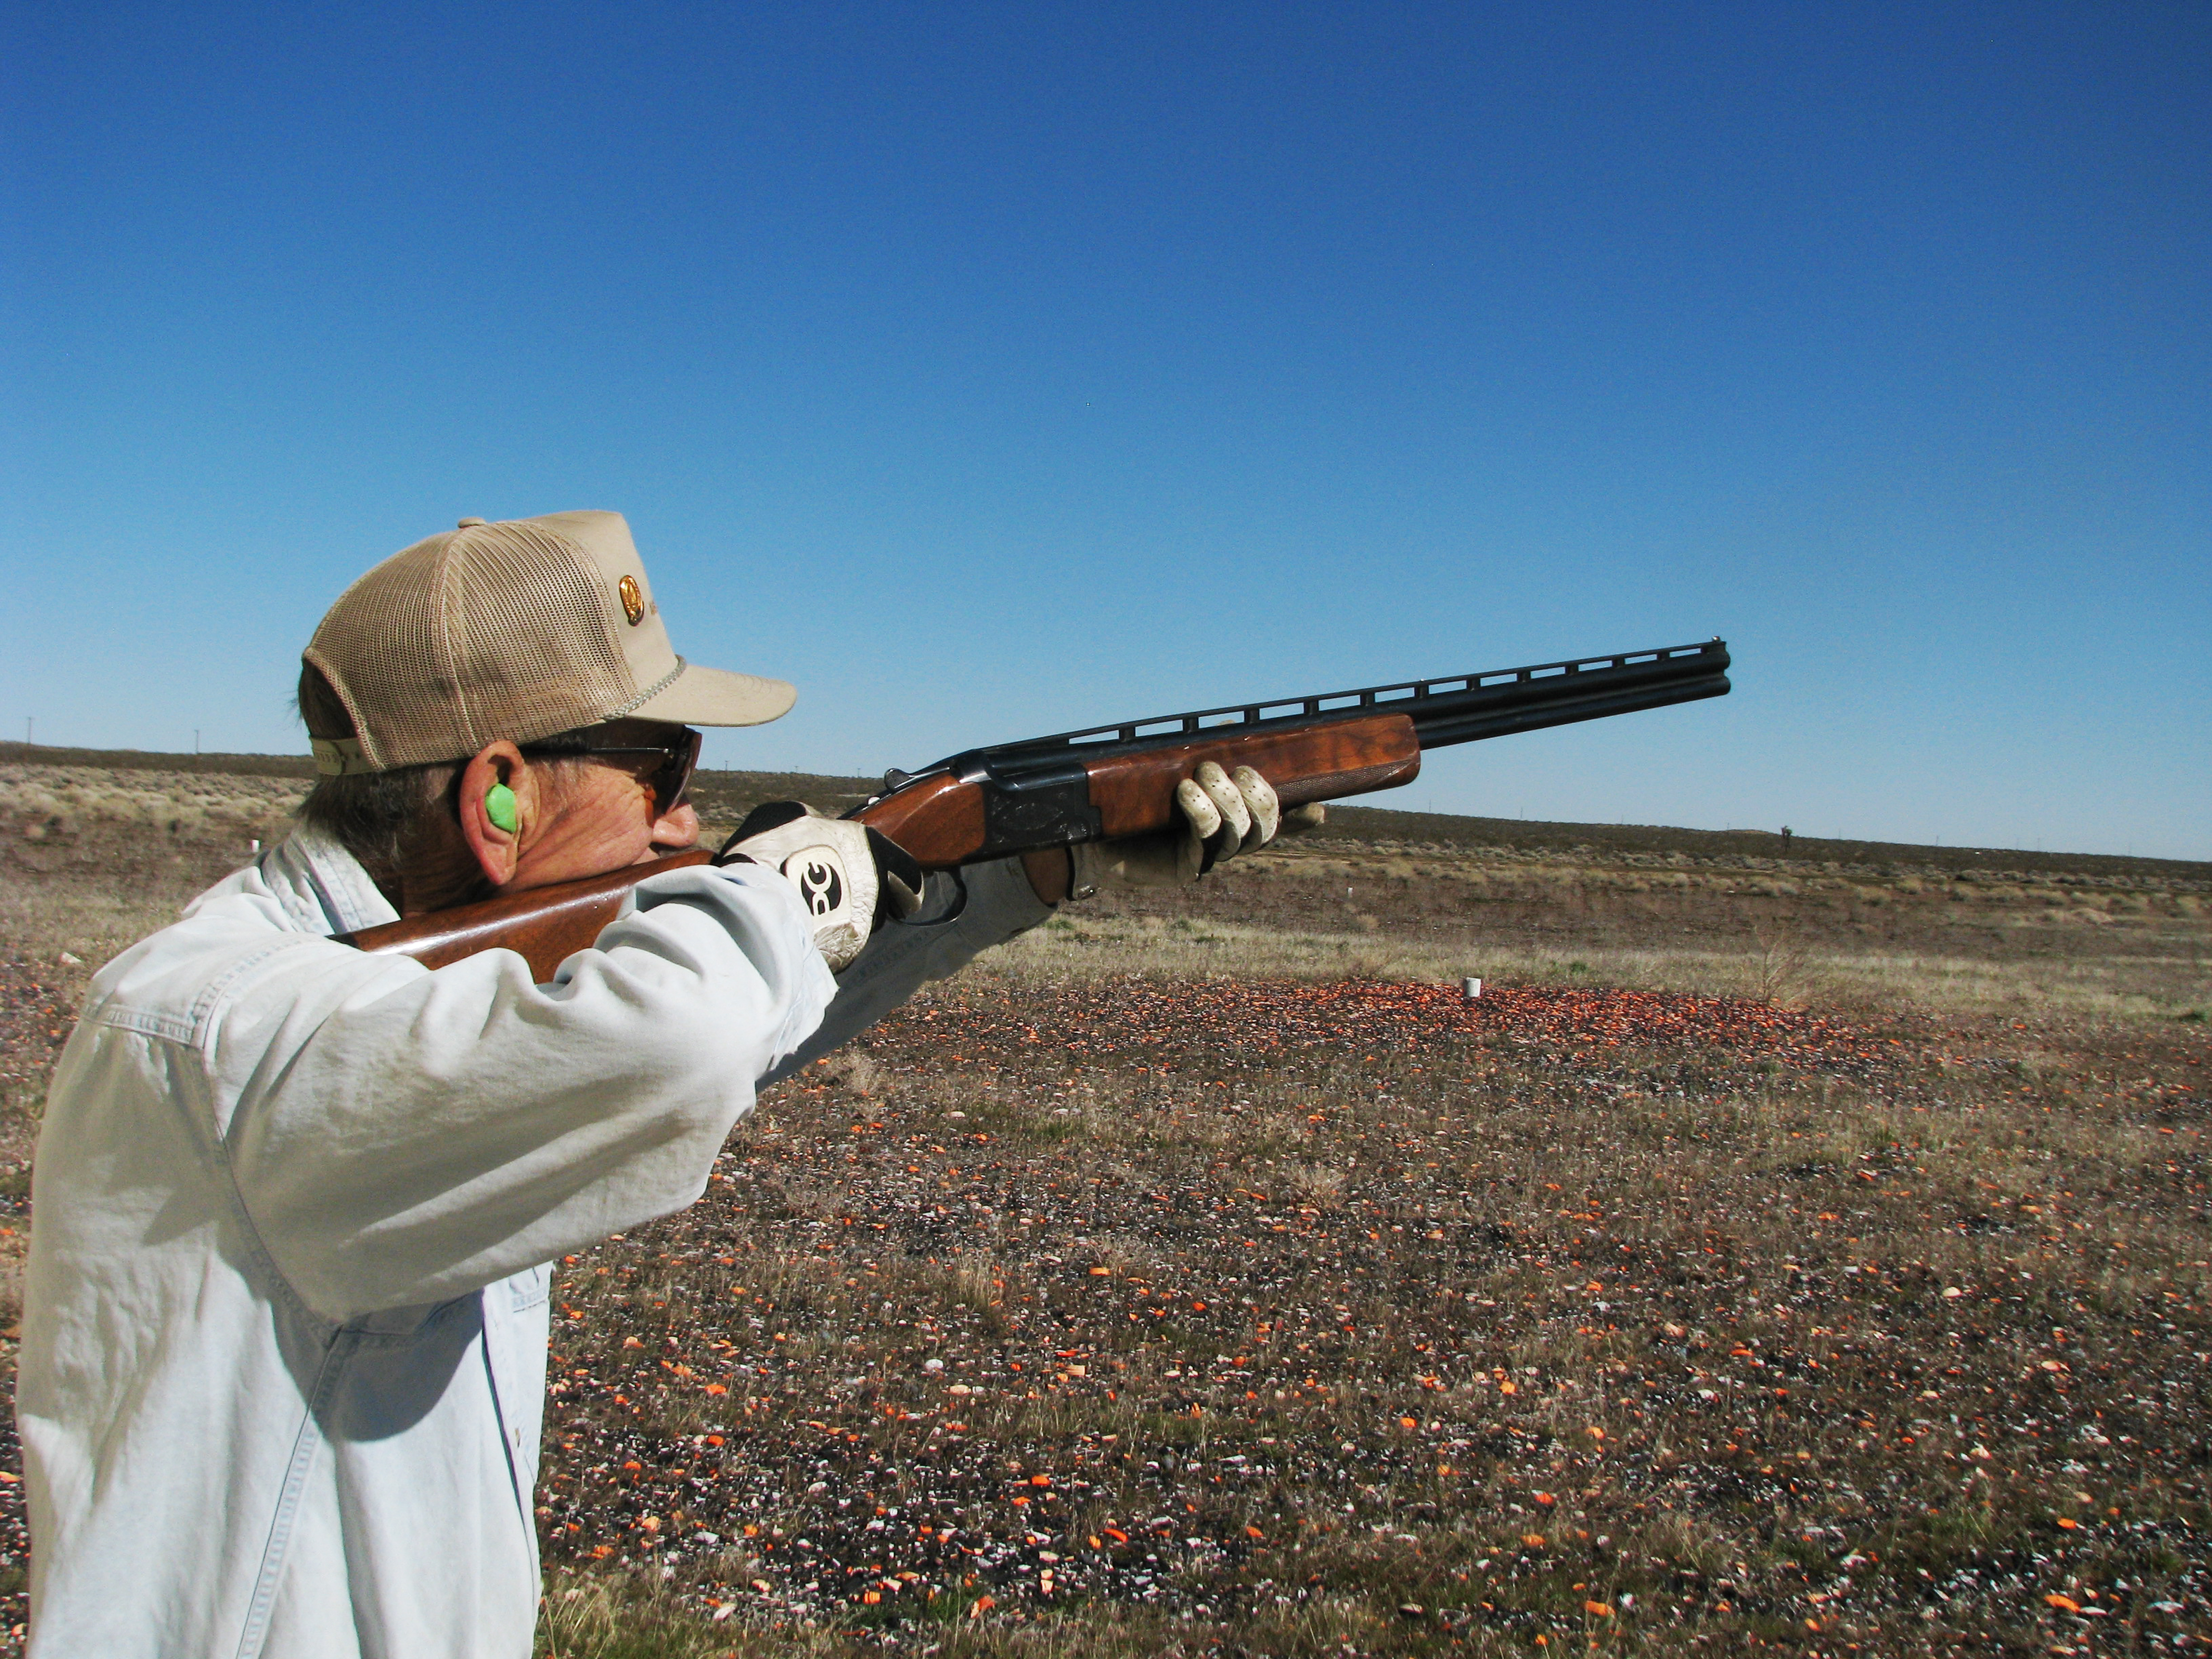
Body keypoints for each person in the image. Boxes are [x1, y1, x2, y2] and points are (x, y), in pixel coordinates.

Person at [17, 511, 1287, 1657]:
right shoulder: (230, 1032)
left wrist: (1043, 862)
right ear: (500, 798)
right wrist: (785, 888)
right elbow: (675, 1035)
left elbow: (734, 1021)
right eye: (662, 773)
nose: (686, 826)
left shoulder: (396, 1006)